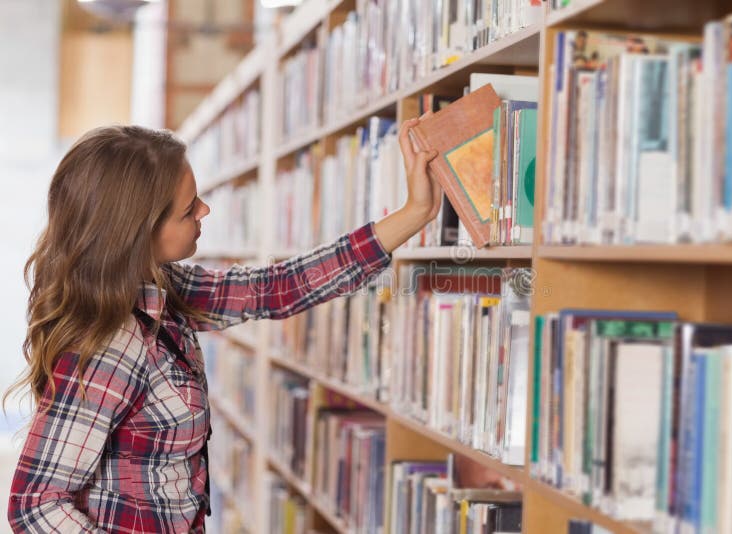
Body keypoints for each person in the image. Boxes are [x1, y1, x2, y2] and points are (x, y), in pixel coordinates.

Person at [6, 116, 440, 533]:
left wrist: (415, 212)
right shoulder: (111, 345)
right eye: (187, 209)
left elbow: (277, 287)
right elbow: (36, 505)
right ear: (137, 230)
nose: (205, 209)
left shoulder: (160, 287)